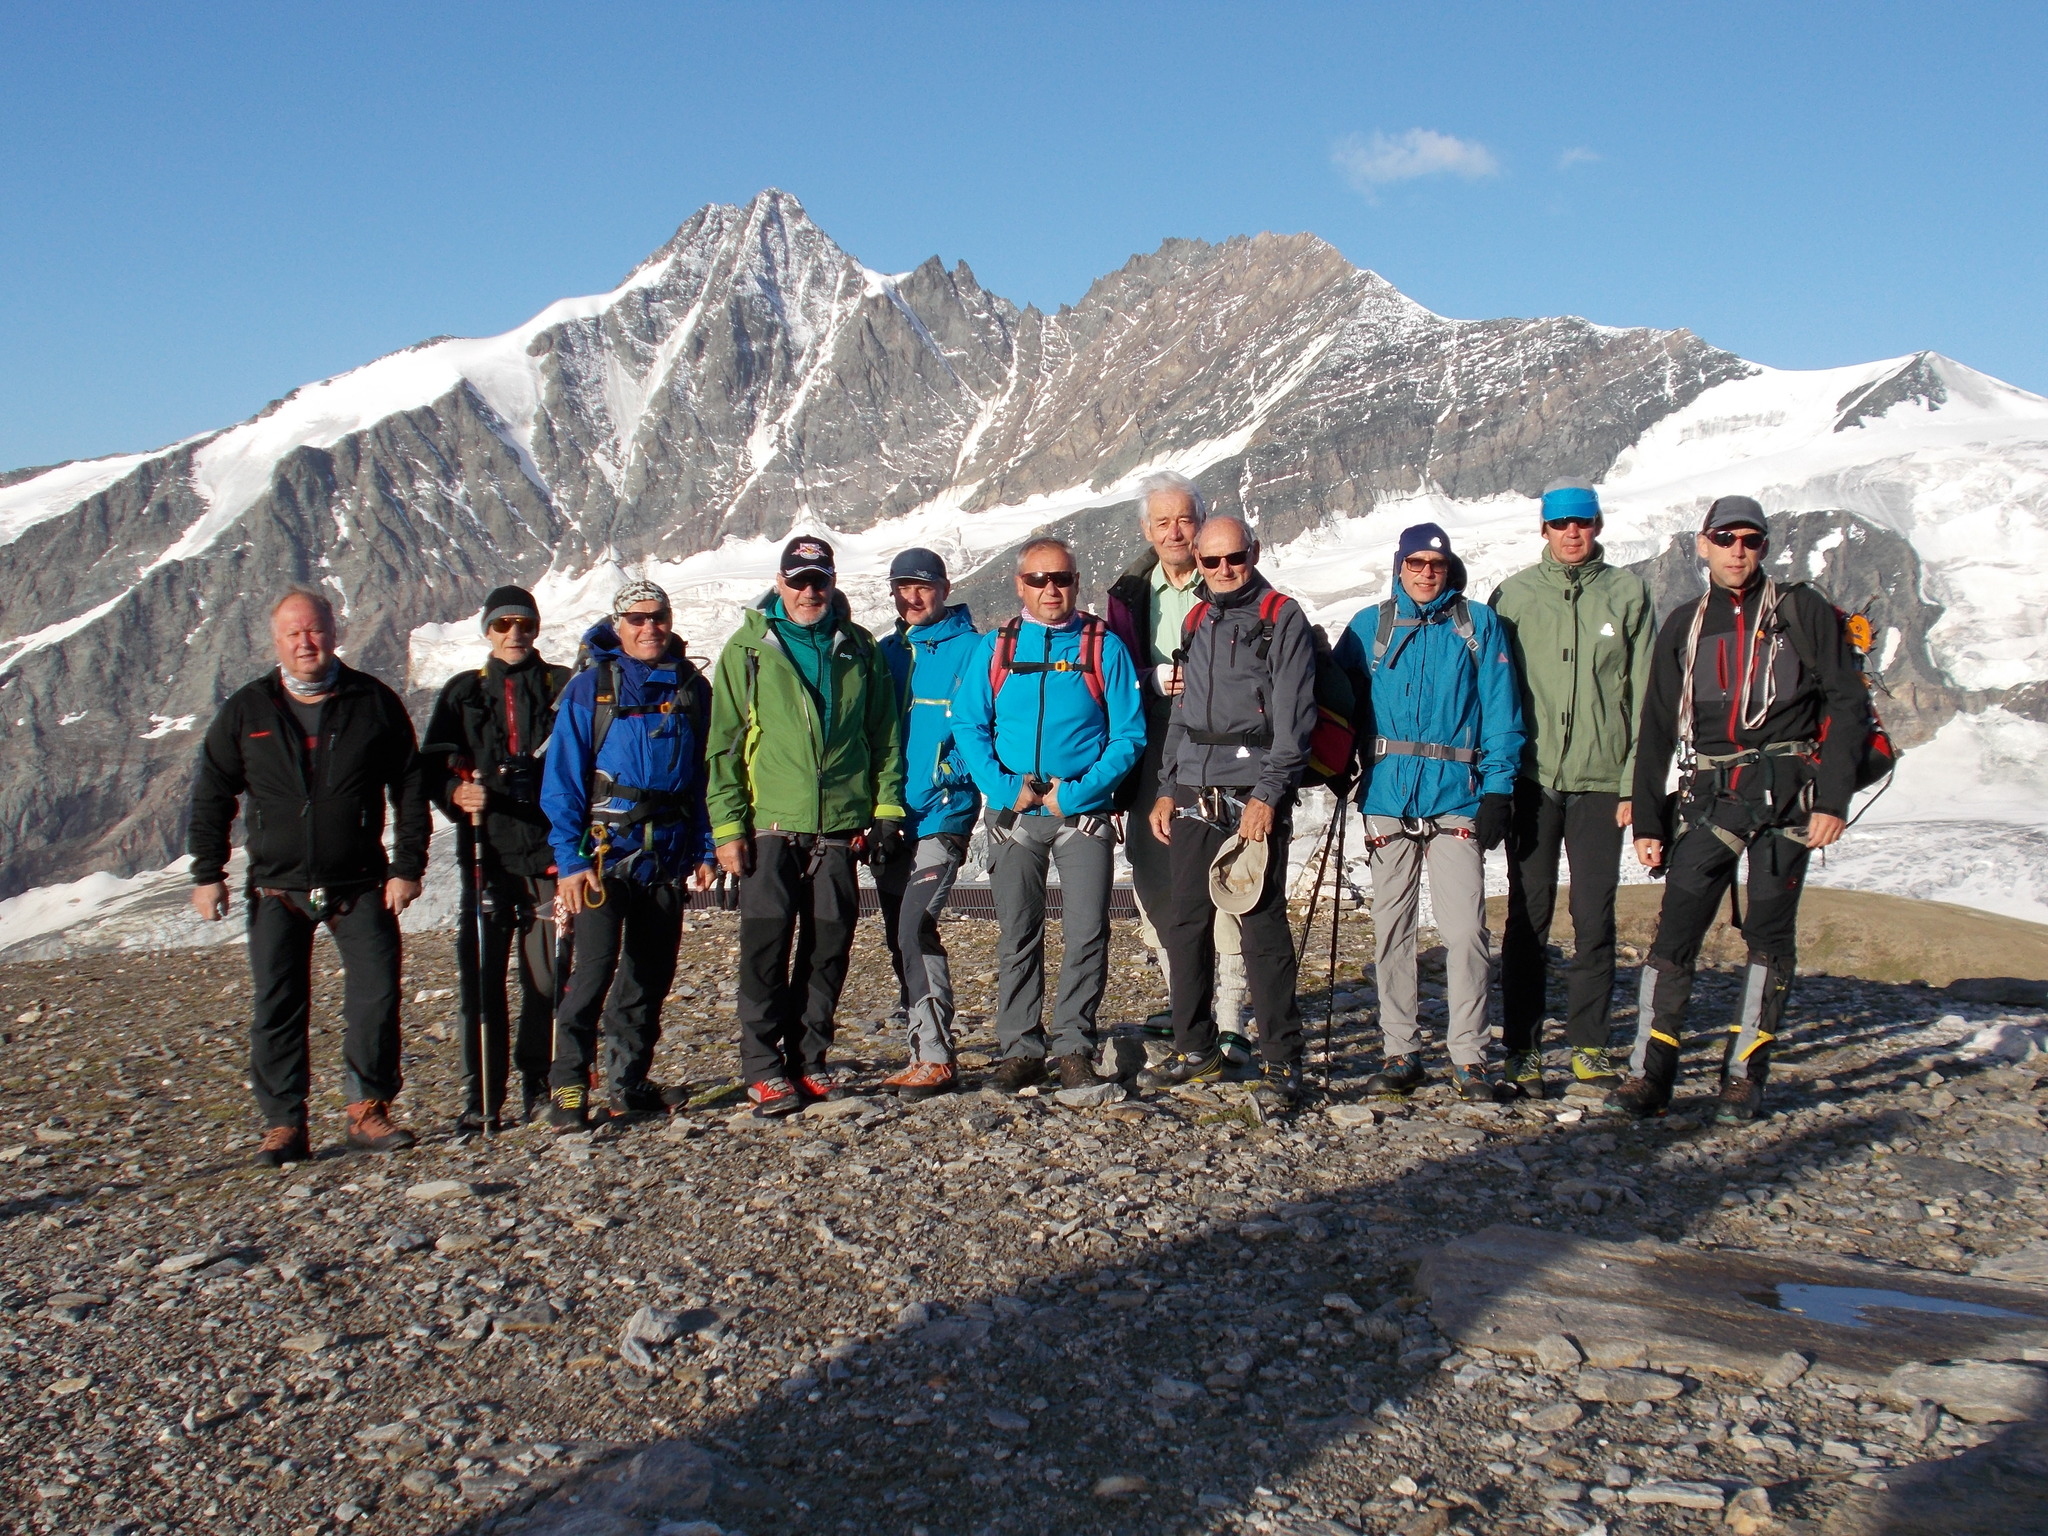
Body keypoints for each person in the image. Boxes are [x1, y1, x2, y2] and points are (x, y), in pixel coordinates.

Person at [1613, 495, 1864, 1123]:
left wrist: (1832, 800)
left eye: (1750, 540)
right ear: (1703, 544)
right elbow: (1656, 728)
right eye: (1725, 538)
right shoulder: (1684, 623)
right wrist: (1648, 820)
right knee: (1675, 932)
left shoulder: (1800, 610)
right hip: (1712, 797)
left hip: (1788, 796)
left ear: (1765, 547)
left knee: (1770, 934)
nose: (1737, 551)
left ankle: (1743, 1077)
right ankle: (1651, 1075)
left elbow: (1847, 703)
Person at [188, 585, 429, 1165]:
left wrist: (408, 866)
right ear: (276, 641)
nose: (305, 641)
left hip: (362, 882)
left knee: (374, 997)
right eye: (293, 633)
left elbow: (411, 787)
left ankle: (367, 1111)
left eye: (315, 629)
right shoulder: (247, 710)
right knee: (277, 1004)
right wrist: (207, 871)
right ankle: (283, 1125)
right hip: (276, 885)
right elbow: (213, 792)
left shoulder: (372, 701)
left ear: (333, 632)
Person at [705, 537, 907, 1118]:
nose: (809, 591)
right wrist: (727, 826)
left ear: (833, 581)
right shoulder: (748, 649)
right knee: (765, 948)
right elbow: (722, 745)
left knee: (828, 949)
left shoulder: (858, 649)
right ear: (780, 581)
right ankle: (764, 1068)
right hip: (772, 825)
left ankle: (809, 1059)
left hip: (839, 829)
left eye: (819, 579)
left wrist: (886, 808)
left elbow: (884, 738)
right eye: (798, 580)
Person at [1334, 523, 1524, 1102]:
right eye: (1414, 563)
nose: (1424, 572)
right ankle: (1401, 1051)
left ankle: (1470, 1055)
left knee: (1466, 932)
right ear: (1399, 566)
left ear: (1449, 569)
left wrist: (1499, 790)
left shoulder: (1477, 626)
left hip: (1458, 799)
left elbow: (1501, 712)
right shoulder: (1371, 626)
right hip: (1388, 800)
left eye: (1435, 565)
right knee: (1393, 931)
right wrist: (1333, 767)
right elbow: (1340, 707)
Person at [953, 537, 1147, 1091]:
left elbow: (1128, 734)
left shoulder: (1102, 646)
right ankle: (1020, 1046)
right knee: (1018, 932)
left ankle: (1073, 1044)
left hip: (1081, 813)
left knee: (1087, 930)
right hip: (1013, 815)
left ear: (1076, 580)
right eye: (1037, 580)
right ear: (1020, 585)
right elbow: (969, 724)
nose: (1050, 589)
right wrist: (1002, 787)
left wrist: (1077, 793)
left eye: (1060, 578)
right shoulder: (996, 646)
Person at [1139, 516, 1319, 1098]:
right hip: (1194, 792)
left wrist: (1268, 796)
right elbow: (1182, 714)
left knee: (1260, 924)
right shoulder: (1197, 619)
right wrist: (1167, 786)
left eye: (1233, 559)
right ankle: (1195, 1049)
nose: (1223, 571)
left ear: (1254, 553)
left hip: (1250, 796)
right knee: (1187, 921)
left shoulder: (1281, 617)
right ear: (1197, 557)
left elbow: (1295, 724)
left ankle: (1282, 1061)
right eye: (1211, 561)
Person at [1489, 482, 1658, 1098]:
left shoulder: (1629, 593)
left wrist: (1636, 782)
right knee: (1527, 916)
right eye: (1560, 523)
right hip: (1533, 778)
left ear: (1598, 525)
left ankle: (1589, 1043)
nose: (1571, 532)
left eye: (1581, 522)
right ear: (1544, 529)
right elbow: (1493, 691)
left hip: (1600, 781)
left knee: (1594, 914)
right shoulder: (1513, 597)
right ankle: (1523, 1047)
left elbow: (1646, 697)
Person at [540, 580, 716, 1131]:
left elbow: (704, 778)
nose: (649, 627)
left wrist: (704, 849)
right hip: (601, 856)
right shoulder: (591, 689)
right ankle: (569, 1085)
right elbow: (563, 777)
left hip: (665, 855)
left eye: (658, 616)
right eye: (637, 619)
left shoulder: (691, 687)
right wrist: (567, 860)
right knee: (591, 971)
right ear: (618, 624)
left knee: (650, 973)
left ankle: (628, 1082)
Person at [422, 584, 571, 1130]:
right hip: (487, 854)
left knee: (546, 976)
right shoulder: (463, 693)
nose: (514, 635)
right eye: (503, 625)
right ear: (487, 630)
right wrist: (456, 795)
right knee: (481, 976)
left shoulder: (562, 687)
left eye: (524, 625)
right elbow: (433, 768)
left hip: (548, 854)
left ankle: (537, 1083)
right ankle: (481, 1093)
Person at [874, 549, 982, 1100]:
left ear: (944, 587)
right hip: (891, 818)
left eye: (923, 586)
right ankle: (921, 1047)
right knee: (900, 936)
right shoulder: (885, 652)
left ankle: (937, 1056)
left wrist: (948, 772)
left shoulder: (975, 649)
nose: (912, 597)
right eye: (902, 587)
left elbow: (980, 727)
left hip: (943, 813)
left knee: (915, 925)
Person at [1103, 472, 1207, 984]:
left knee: (1221, 864)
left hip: (1221, 741)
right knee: (1155, 865)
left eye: (1184, 519)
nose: (1174, 532)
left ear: (1201, 524)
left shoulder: (1230, 577)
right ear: (1147, 530)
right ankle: (1184, 1000)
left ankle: (1226, 1012)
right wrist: (1151, 678)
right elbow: (1113, 673)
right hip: (1155, 738)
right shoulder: (1128, 594)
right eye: (1162, 521)